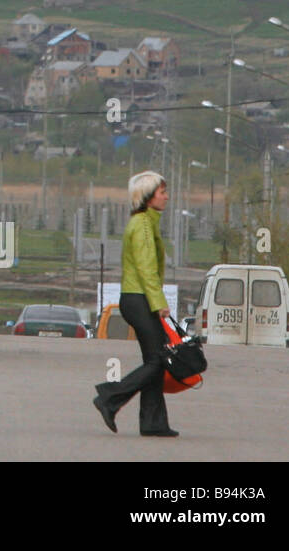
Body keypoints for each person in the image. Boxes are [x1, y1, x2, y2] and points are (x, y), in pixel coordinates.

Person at [93, 170, 178, 437]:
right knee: (158, 360)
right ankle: (109, 397)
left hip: (139, 298)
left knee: (156, 360)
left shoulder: (146, 222)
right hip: (139, 299)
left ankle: (153, 423)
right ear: (148, 197)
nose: (166, 196)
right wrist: (160, 303)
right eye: (162, 192)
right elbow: (146, 269)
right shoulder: (142, 225)